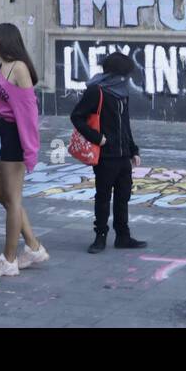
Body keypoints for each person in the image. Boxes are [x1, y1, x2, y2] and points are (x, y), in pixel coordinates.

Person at [69, 52, 148, 253]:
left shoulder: (122, 92)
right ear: (115, 74)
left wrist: (133, 150)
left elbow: (126, 124)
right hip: (105, 156)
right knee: (103, 197)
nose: (127, 79)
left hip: (123, 156)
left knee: (123, 197)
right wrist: (97, 138)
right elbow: (77, 117)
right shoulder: (96, 91)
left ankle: (123, 236)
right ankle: (100, 236)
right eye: (125, 74)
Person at [0, 22, 48, 277]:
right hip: (5, 134)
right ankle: (34, 247)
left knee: (12, 199)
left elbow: (28, 113)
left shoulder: (19, 68)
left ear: (2, 40)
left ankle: (10, 258)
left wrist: (30, 150)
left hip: (16, 137)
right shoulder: (3, 66)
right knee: (2, 196)